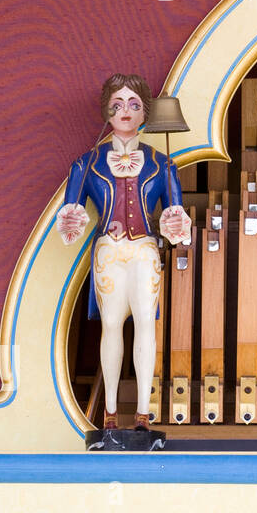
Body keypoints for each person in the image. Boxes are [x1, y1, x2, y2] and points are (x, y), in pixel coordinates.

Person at [57, 73, 192, 431]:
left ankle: (145, 414)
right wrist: (72, 220)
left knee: (147, 324)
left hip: (145, 249)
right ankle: (112, 413)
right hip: (108, 250)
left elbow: (172, 209)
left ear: (145, 111)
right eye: (118, 105)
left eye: (134, 104)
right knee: (112, 325)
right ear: (107, 110)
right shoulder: (86, 163)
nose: (126, 112)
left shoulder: (162, 164)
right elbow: (73, 207)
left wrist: (174, 221)